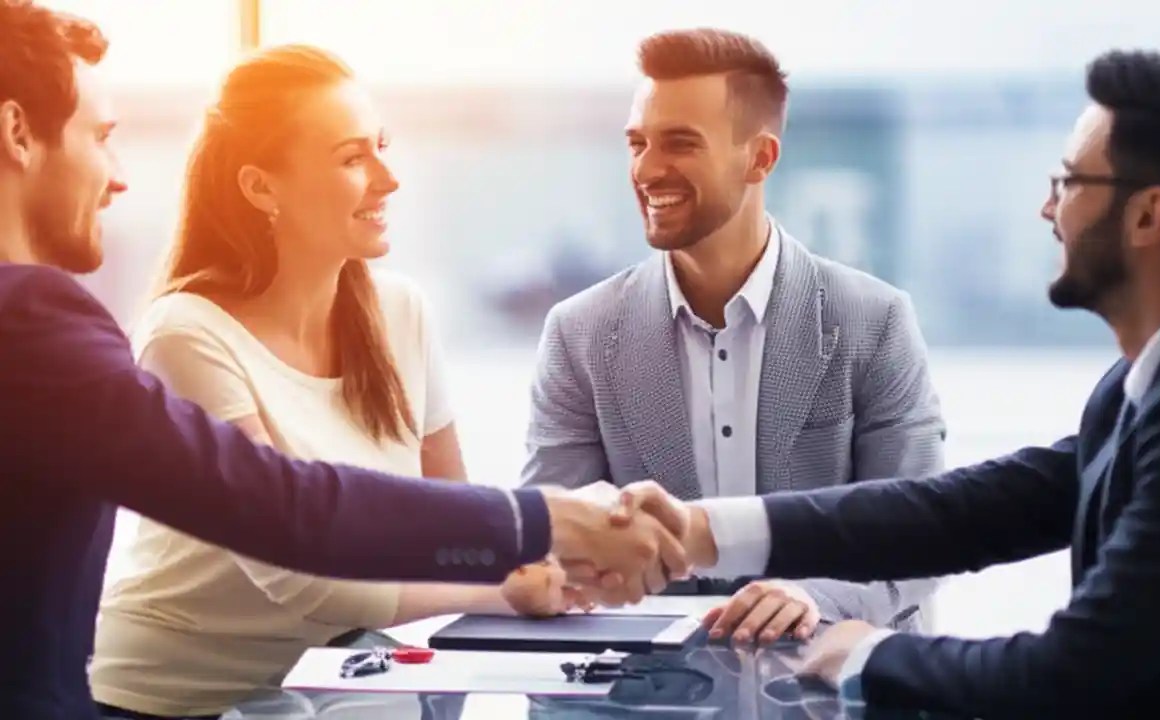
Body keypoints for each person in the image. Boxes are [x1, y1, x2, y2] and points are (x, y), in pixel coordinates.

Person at [0, 4, 687, 718]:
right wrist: (543, 524)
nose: (118, 177)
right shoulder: (37, 323)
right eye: (102, 138)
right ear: (18, 132)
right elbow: (280, 509)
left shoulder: (399, 311)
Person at [609, 48, 1160, 718]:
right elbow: (965, 513)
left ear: (1147, 217)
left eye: (1071, 183)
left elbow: (1078, 671)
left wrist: (869, 655)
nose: (1049, 209)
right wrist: (698, 528)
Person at [87, 45, 587, 720]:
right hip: (175, 701)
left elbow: (453, 520)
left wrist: (508, 564)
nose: (388, 178)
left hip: (334, 684)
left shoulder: (401, 311)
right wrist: (504, 586)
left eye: (382, 147)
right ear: (261, 187)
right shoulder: (186, 335)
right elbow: (309, 578)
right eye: (353, 158)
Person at [521, 27, 946, 640]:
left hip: (832, 674)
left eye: (680, 144)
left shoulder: (873, 321)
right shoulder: (579, 332)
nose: (646, 169)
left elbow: (919, 536)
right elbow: (552, 534)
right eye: (637, 143)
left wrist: (811, 596)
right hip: (645, 689)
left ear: (761, 158)